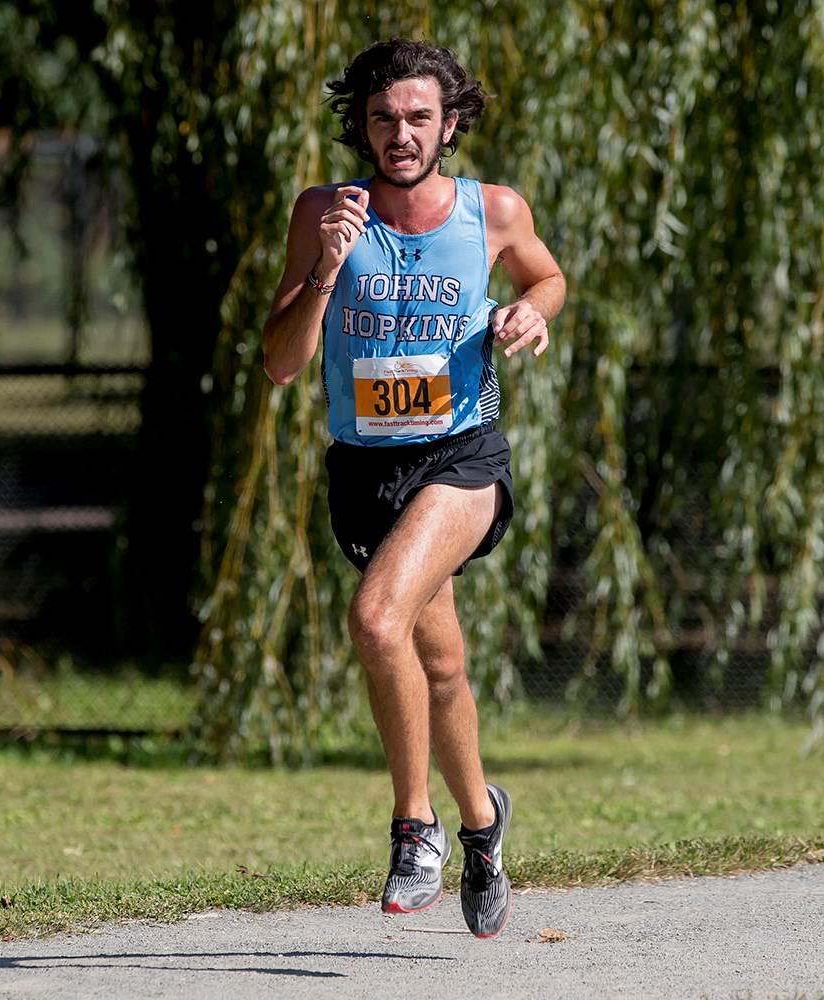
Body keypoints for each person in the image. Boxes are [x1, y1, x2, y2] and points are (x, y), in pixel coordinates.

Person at [262, 37, 565, 939]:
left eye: (420, 117)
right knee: (438, 663)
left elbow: (547, 276)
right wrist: (324, 268)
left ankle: (414, 828)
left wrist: (529, 313)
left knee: (375, 620)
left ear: (452, 122)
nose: (401, 134)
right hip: (365, 472)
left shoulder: (493, 210)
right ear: (361, 123)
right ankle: (483, 825)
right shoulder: (324, 210)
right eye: (384, 117)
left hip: (463, 455)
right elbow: (280, 365)